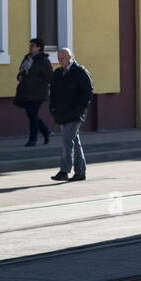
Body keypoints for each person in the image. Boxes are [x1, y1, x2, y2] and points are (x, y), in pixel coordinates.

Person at [48, 47, 93, 182]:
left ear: (70, 58)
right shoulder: (57, 73)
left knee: (67, 140)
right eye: (58, 59)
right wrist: (53, 109)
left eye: (62, 58)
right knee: (74, 141)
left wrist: (80, 109)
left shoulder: (80, 72)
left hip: (75, 113)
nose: (60, 61)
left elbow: (88, 92)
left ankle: (64, 171)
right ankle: (80, 172)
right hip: (62, 113)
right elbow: (53, 93)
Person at [15, 37, 53, 148]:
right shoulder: (27, 58)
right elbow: (21, 71)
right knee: (32, 114)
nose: (30, 47)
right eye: (30, 45)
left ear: (39, 47)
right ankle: (46, 131)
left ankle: (33, 139)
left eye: (32, 45)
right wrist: (20, 76)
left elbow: (50, 77)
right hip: (26, 92)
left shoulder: (43, 61)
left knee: (32, 113)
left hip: (39, 93)